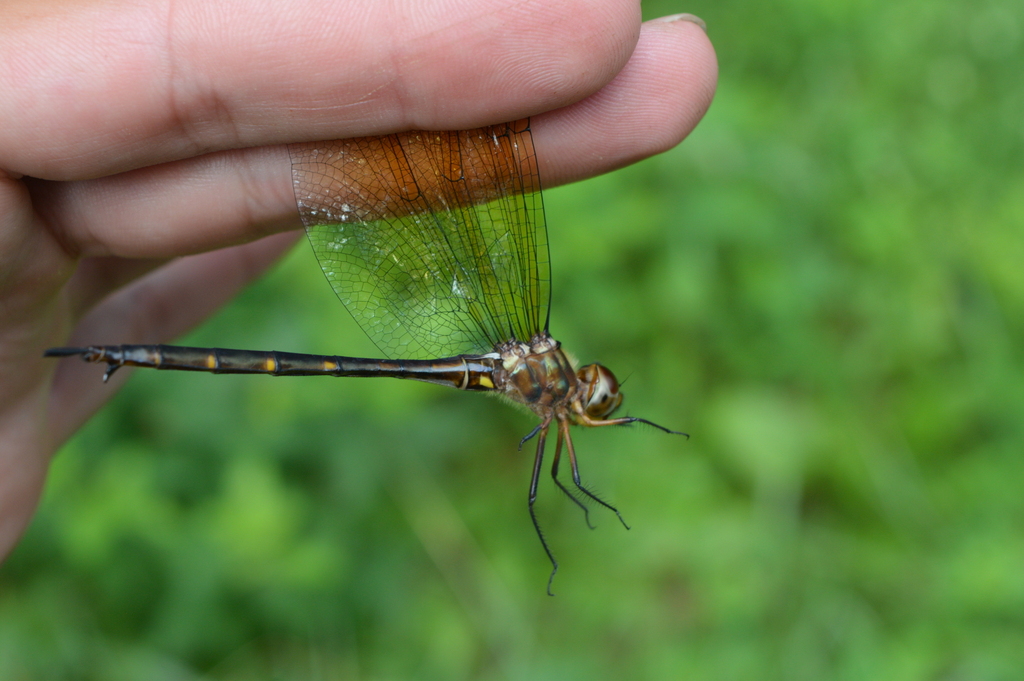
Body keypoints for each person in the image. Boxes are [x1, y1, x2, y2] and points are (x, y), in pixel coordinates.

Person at [0, 0, 717, 561]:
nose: (598, 394)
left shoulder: (551, 397)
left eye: (600, 394)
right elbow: (559, 481)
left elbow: (563, 478)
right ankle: (126, 354)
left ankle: (118, 354)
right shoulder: (550, 387)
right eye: (599, 390)